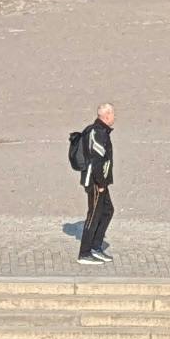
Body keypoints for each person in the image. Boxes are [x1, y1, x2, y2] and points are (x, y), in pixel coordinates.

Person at [69, 102, 117, 263]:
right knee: (94, 214)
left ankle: (96, 246)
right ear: (107, 116)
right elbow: (96, 161)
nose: (114, 117)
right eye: (113, 114)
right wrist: (101, 184)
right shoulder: (98, 133)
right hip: (95, 182)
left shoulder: (101, 131)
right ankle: (84, 253)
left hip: (101, 181)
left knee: (107, 210)